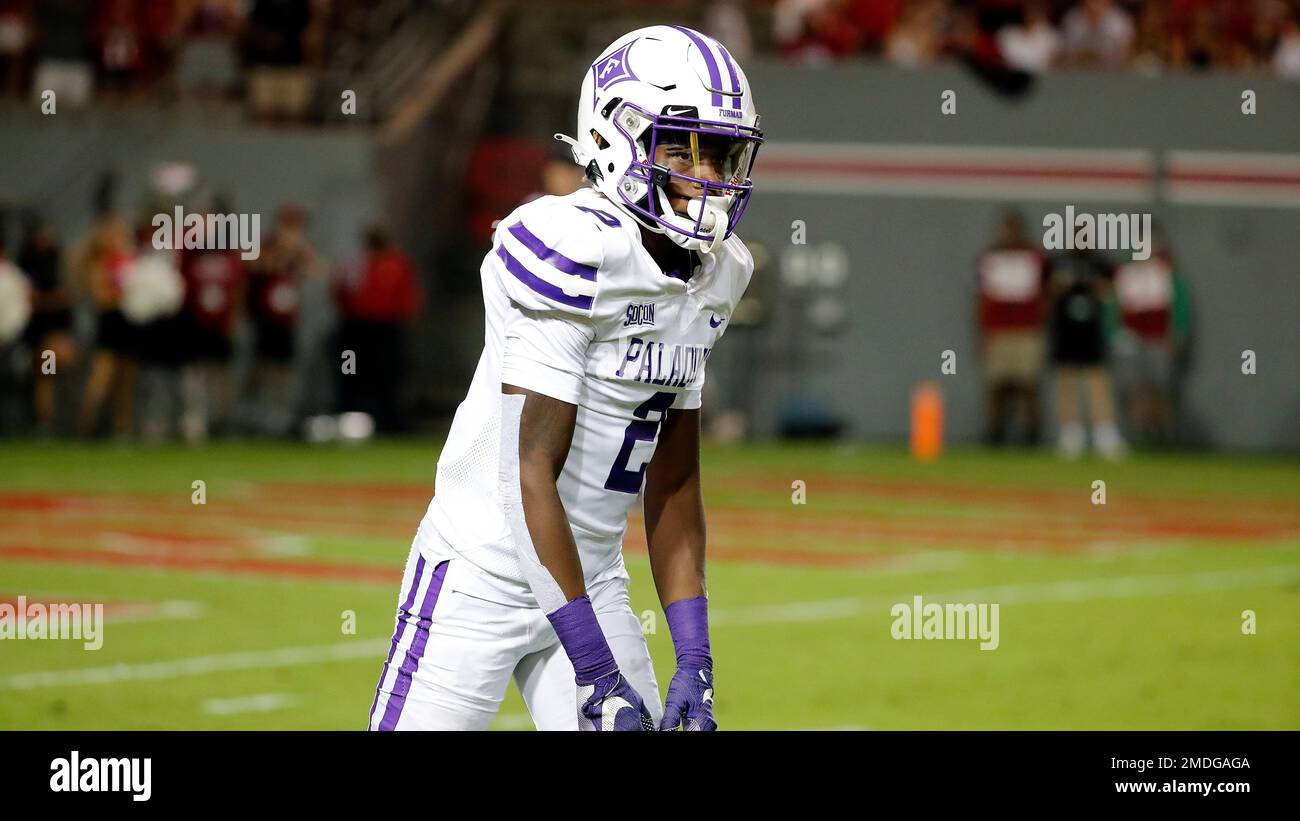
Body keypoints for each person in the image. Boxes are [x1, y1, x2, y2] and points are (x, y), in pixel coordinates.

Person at [368, 25, 763, 731]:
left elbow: (673, 481)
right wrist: (598, 672)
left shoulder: (716, 271)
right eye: (684, 149)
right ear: (619, 140)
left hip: (589, 575)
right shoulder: (572, 244)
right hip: (479, 572)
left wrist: (696, 662)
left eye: (723, 155)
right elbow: (528, 472)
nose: (708, 177)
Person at [333, 223, 421, 433]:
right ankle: (348, 414)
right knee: (350, 369)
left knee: (387, 374)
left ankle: (387, 421)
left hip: (386, 328)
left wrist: (404, 322)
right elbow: (340, 291)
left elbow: (409, 296)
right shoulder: (357, 263)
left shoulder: (397, 263)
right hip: (355, 328)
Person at [1047, 225, 1125, 460]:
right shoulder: (1059, 263)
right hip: (1067, 332)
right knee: (1067, 382)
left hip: (1092, 333)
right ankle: (1071, 434)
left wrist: (1094, 287)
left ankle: (1105, 434)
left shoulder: (1101, 265)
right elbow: (1049, 294)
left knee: (1097, 382)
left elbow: (1112, 293)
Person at [1110, 229, 1191, 445]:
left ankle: (1163, 434)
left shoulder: (1166, 270)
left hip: (1159, 339)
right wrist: (1115, 334)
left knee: (1160, 387)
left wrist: (1178, 333)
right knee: (1136, 389)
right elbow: (1114, 304)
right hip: (1132, 339)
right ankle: (1141, 434)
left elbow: (1180, 305)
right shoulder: (1126, 270)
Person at [975, 211, 1048, 446]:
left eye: (1011, 229)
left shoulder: (1034, 257)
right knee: (997, 385)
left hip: (1026, 330)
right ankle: (995, 432)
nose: (1007, 234)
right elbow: (981, 298)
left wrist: (1040, 321)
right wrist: (983, 332)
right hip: (998, 330)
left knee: (1028, 383)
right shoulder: (990, 257)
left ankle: (1032, 433)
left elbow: (1046, 293)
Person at [74, 210, 139, 438]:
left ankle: (121, 427)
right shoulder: (98, 263)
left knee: (127, 379)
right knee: (102, 376)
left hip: (130, 322)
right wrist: (129, 296)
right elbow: (101, 298)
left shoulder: (130, 259)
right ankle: (86, 424)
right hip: (110, 323)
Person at [17, 219, 76, 434]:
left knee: (54, 377)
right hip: (43, 334)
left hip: (59, 331)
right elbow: (30, 299)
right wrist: (56, 299)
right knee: (46, 377)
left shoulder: (57, 264)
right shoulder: (29, 268)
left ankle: (54, 421)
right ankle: (46, 422)